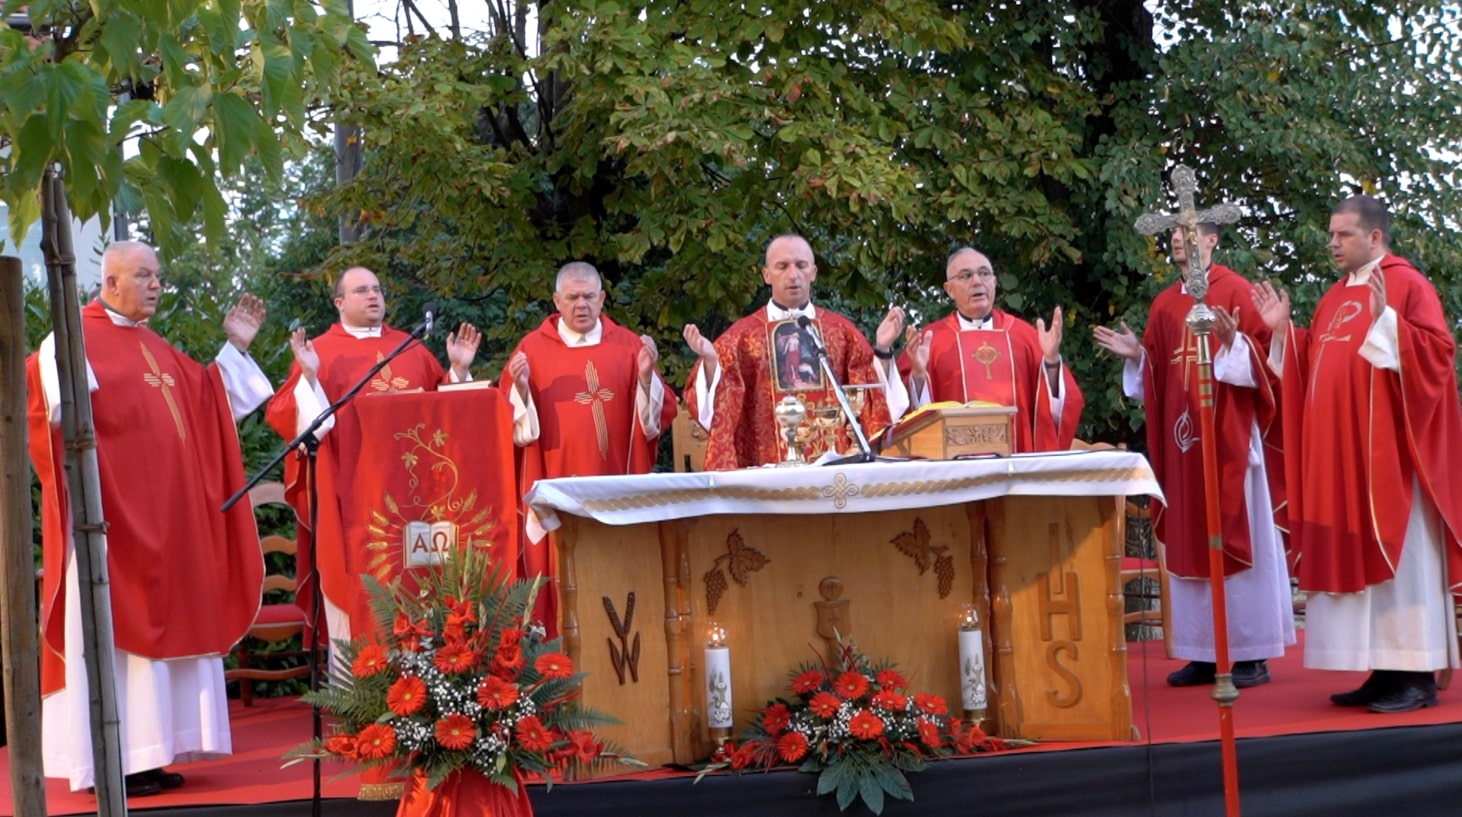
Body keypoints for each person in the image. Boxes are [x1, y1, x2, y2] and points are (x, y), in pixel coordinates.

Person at [27, 241, 275, 796]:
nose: (156, 284)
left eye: (158, 275)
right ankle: (110, 762)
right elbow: (45, 410)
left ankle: (150, 753)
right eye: (143, 275)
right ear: (110, 283)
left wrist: (235, 348)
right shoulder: (72, 338)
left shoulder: (155, 347)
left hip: (167, 525)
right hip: (111, 529)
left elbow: (207, 401)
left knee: (158, 649)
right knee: (116, 644)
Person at [1252, 195, 1462, 712]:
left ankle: (1416, 674)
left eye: (1343, 234)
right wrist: (1283, 333)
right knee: (1361, 569)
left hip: (1390, 461)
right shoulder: (1332, 297)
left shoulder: (1407, 284)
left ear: (1374, 236)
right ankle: (1382, 670)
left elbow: (1438, 356)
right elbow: (1313, 365)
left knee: (1403, 562)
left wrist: (1391, 323)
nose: (1333, 243)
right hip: (1341, 458)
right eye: (1331, 234)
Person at [1093, 224, 1293, 689]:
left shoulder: (1236, 290)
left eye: (1190, 231)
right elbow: (1159, 377)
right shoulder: (1164, 304)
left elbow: (1270, 366)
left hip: (1229, 440)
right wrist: (1138, 358)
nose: (1178, 238)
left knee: (1236, 534)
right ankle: (1204, 652)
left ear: (1211, 240)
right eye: (1174, 232)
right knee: (1190, 541)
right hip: (1184, 446)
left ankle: (1250, 653)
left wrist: (1236, 344)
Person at [264, 267, 487, 649]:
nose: (373, 296)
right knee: (357, 592)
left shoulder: (411, 347)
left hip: (419, 501)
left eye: (377, 290)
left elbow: (447, 419)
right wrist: (310, 379)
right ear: (339, 302)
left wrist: (458, 372)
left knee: (424, 586)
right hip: (353, 498)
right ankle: (362, 681)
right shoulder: (320, 353)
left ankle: (433, 675)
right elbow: (292, 422)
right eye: (362, 290)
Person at [502, 261, 678, 631]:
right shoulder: (532, 350)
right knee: (558, 570)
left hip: (615, 483)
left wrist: (646, 379)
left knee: (616, 571)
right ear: (556, 301)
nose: (581, 304)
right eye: (572, 297)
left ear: (602, 298)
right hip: (556, 483)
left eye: (588, 296)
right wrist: (521, 390)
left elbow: (652, 425)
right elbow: (511, 428)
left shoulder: (628, 345)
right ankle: (555, 644)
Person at [682, 234, 909, 469]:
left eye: (801, 265)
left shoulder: (841, 332)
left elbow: (874, 402)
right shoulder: (742, 338)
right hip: (765, 468)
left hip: (835, 470)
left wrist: (883, 350)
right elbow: (716, 413)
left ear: (813, 272)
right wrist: (711, 363)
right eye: (782, 266)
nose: (793, 275)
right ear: (766, 275)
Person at [903, 246, 1084, 451]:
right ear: (949, 289)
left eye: (984, 273)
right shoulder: (930, 341)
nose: (977, 281)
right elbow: (903, 417)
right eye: (966, 276)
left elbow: (1061, 406)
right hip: (956, 463)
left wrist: (1051, 362)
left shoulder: (1024, 336)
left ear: (994, 282)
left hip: (1017, 460)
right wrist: (918, 375)